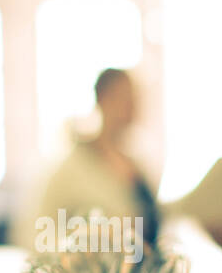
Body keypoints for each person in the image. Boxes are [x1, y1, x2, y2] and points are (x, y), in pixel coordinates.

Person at [18, 68, 160, 255]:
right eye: (123, 98)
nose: (131, 107)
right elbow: (35, 234)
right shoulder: (72, 168)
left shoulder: (137, 164)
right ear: (102, 99)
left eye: (134, 99)